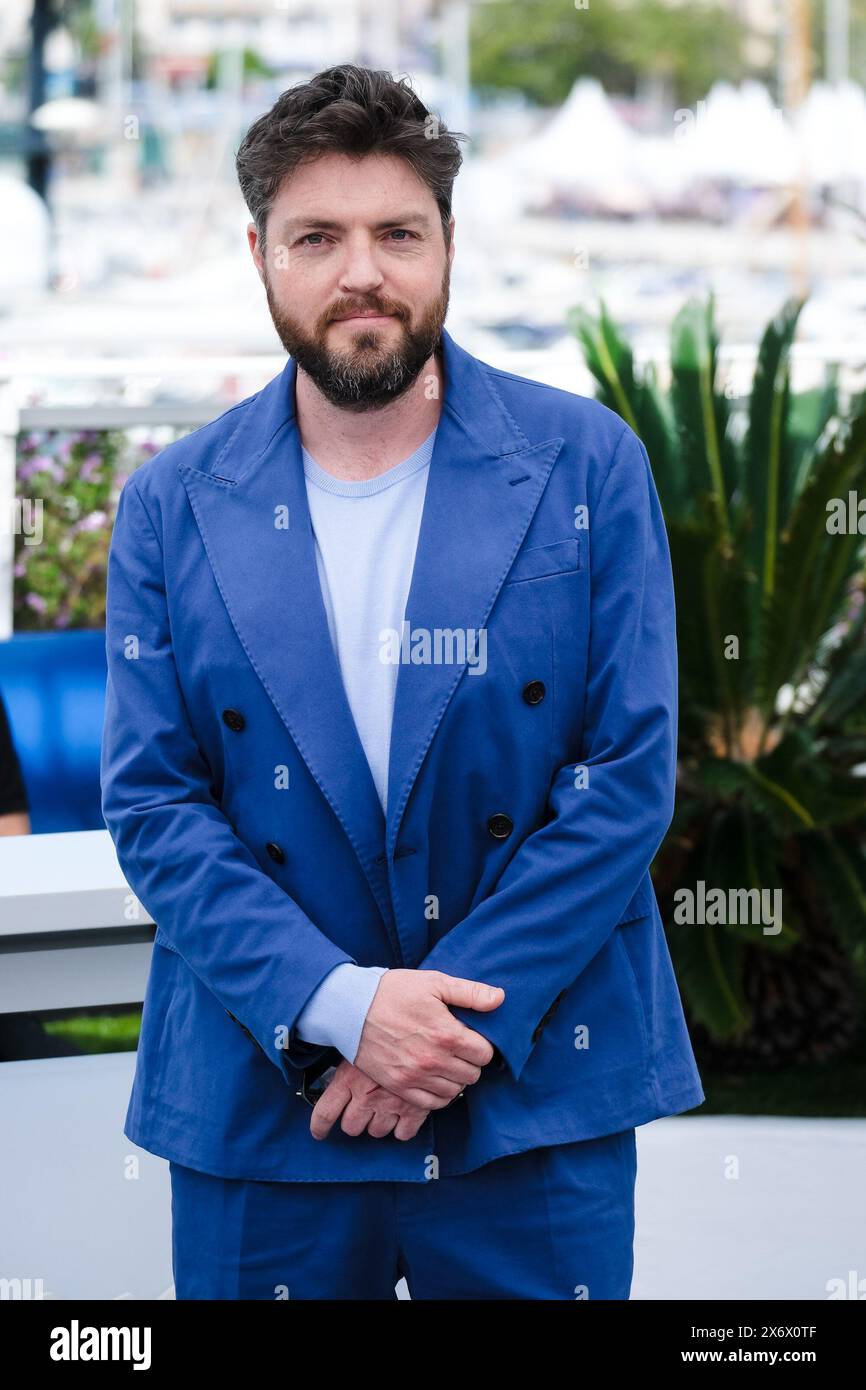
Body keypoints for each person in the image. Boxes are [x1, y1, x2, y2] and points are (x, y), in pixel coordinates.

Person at [100, 64, 704, 1301]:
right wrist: (336, 1005)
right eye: (317, 236)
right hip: (265, 1102)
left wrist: (435, 1030)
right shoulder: (169, 502)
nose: (360, 272)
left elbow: (624, 777)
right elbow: (157, 805)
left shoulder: (587, 464)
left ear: (446, 246)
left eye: (396, 234)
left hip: (530, 1091)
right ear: (260, 250)